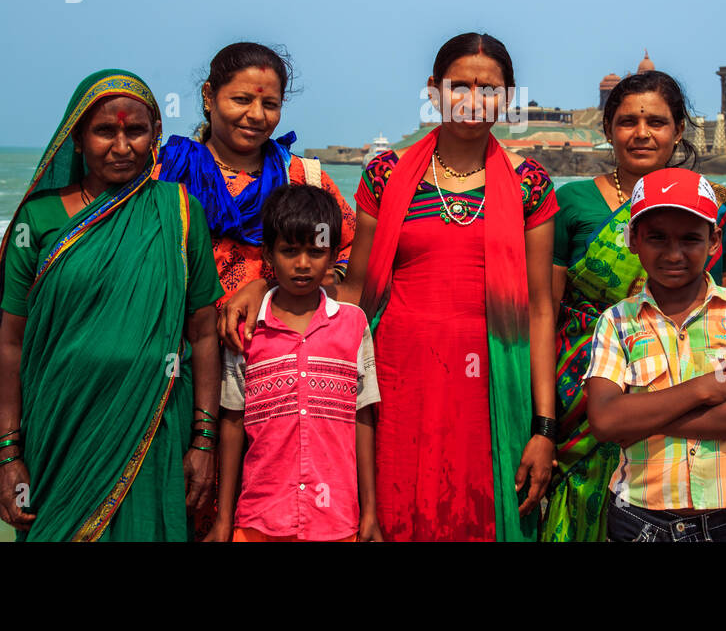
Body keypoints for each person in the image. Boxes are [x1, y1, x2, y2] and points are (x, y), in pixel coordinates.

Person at [0, 69, 224, 541]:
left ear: (155, 135)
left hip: (153, 427)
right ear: (76, 139)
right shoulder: (39, 219)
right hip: (58, 430)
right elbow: (11, 342)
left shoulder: (178, 211)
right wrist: (8, 457)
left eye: (135, 130)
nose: (122, 146)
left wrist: (204, 439)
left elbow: (202, 332)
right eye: (104, 131)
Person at [339, 32, 559, 541]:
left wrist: (544, 428)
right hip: (396, 386)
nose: (473, 100)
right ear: (433, 91)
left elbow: (540, 310)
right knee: (395, 515)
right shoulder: (386, 176)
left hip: (490, 393)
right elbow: (354, 294)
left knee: (482, 514)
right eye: (459, 85)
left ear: (508, 100)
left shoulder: (530, 185)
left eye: (489, 88)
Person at [543, 69, 726, 542]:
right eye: (627, 122)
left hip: (700, 421)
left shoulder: (718, 208)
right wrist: (542, 425)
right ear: (608, 129)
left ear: (679, 131)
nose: (641, 133)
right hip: (582, 395)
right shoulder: (572, 202)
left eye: (657, 122)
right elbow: (545, 313)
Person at [156, 41, 357, 539]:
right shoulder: (163, 175)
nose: (256, 115)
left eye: (269, 104)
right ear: (208, 96)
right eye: (241, 100)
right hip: (176, 381)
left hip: (277, 395)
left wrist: (265, 285)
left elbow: (350, 275)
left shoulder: (304, 179)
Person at [585, 168, 726, 541]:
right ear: (633, 239)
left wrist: (641, 415)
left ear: (714, 241)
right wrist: (703, 390)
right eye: (657, 238)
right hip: (637, 519)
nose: (673, 253)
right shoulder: (616, 321)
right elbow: (604, 421)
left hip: (722, 520)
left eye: (690, 239)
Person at [206, 184, 381, 542]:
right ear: (268, 255)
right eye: (289, 251)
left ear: (334, 256)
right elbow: (233, 421)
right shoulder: (247, 331)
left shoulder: (353, 324)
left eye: (315, 252)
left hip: (337, 521)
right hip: (259, 520)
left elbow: (363, 418)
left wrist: (371, 512)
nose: (302, 264)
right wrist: (224, 519)